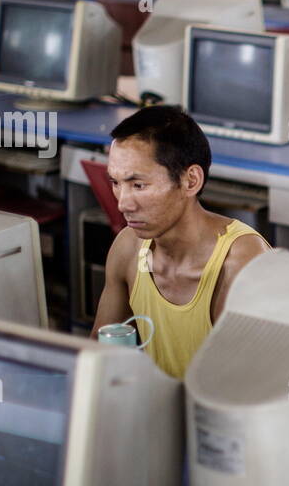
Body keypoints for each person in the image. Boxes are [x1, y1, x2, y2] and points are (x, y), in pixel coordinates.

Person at [91, 106, 269, 378]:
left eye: (138, 185)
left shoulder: (241, 263)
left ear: (190, 180)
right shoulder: (128, 248)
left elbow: (244, 391)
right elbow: (99, 357)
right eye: (116, 183)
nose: (122, 203)